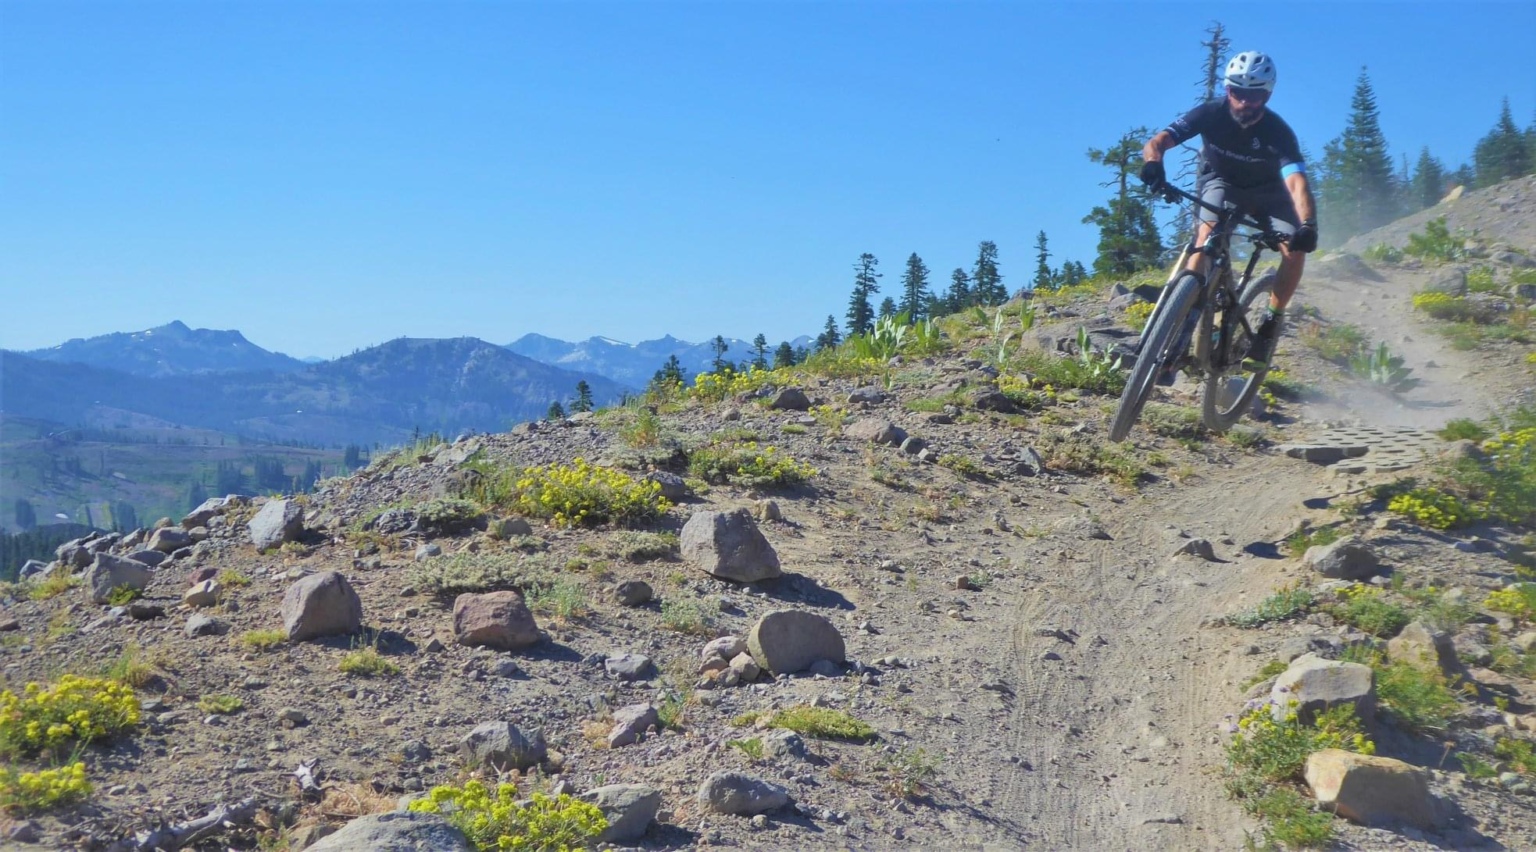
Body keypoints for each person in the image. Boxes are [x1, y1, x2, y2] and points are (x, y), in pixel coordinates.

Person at [1137, 50, 1318, 365]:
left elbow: (1296, 182)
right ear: (1227, 89)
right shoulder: (1209, 113)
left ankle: (1271, 323)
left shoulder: (1278, 133)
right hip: (1223, 183)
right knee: (1205, 240)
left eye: (1255, 95)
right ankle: (1185, 320)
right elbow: (1159, 141)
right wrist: (1153, 164)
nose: (1245, 102)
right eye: (1238, 92)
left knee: (1295, 249)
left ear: (1268, 95)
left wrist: (1308, 225)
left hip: (1271, 193)